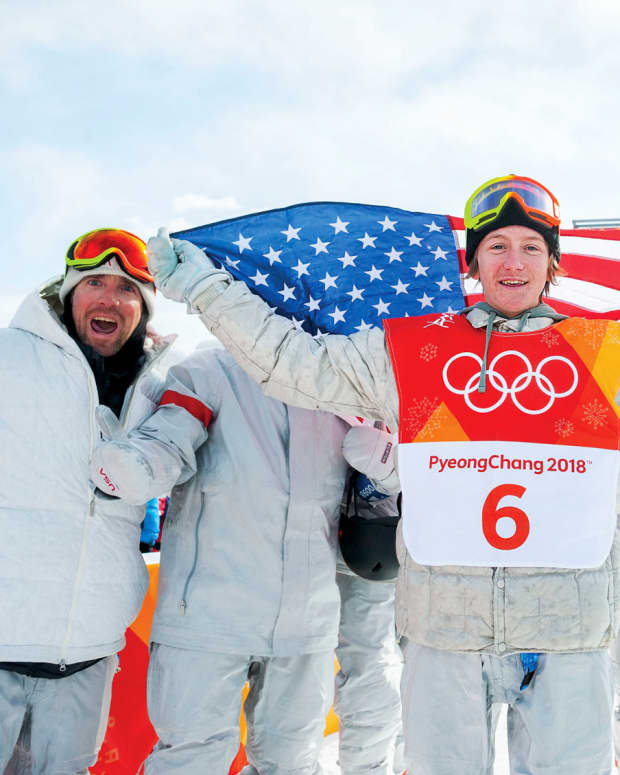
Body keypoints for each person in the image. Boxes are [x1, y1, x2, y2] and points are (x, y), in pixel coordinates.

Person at [145, 175, 620, 775]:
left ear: (553, 262)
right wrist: (201, 284)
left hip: (569, 632)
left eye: (531, 246)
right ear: (472, 261)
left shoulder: (604, 354)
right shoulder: (417, 350)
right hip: (447, 627)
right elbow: (296, 366)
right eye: (496, 247)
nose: (514, 262)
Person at [90, 341, 399, 775]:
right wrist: (137, 465)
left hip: (305, 624)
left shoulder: (339, 380)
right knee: (193, 758)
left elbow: (389, 480)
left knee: (291, 764)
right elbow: (169, 439)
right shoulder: (211, 368)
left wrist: (389, 460)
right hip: (210, 617)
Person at [0, 228, 176, 774]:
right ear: (67, 293)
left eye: (126, 288)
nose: (108, 296)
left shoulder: (159, 384)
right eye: (94, 281)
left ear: (141, 307)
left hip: (88, 654)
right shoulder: (11, 358)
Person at [334, 429, 405, 775]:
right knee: (379, 663)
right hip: (371, 541)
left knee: (377, 663)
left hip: (380, 541)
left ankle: (388, 764)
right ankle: (379, 765)